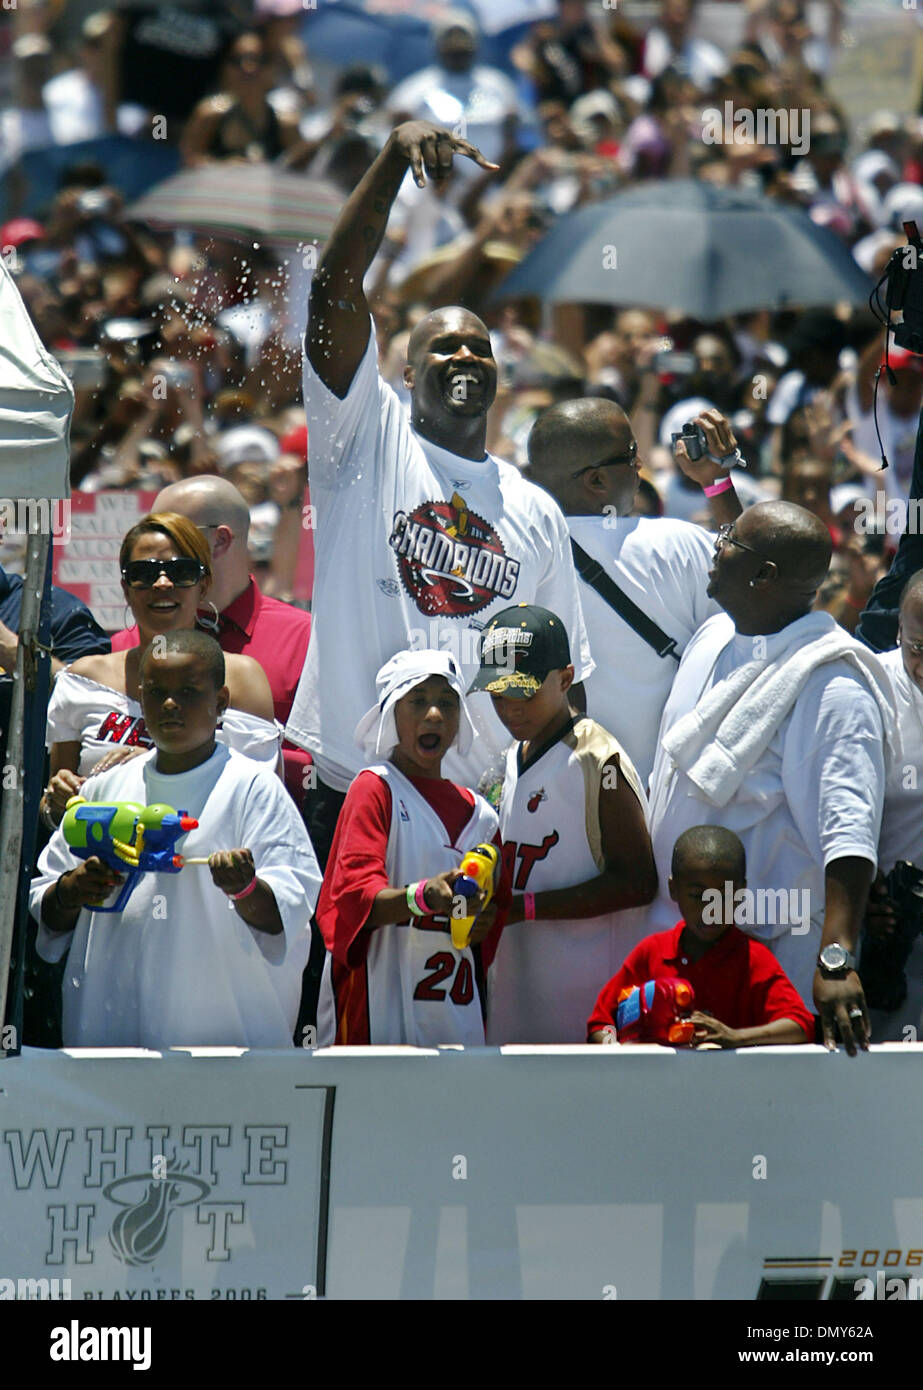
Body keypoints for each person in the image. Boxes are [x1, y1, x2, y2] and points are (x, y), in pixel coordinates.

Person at [285, 117, 594, 870]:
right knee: (340, 985)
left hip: (476, 810)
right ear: (402, 370)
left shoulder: (533, 510)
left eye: (477, 347)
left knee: (457, 989)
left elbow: (565, 683)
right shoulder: (363, 438)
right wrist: (393, 158)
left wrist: (543, 793)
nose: (463, 354)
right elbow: (332, 287)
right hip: (351, 787)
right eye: (442, 345)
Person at [646, 501, 893, 1055]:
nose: (717, 541)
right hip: (688, 947)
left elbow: (848, 832)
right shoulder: (713, 637)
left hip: (772, 957)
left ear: (763, 576)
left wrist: (835, 959)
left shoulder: (834, 684)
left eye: (731, 536)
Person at [30, 630, 321, 1049]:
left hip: (226, 1055)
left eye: (188, 691)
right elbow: (47, 918)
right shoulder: (102, 788)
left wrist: (246, 889)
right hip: (110, 1056)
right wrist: (74, 889)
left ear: (220, 702)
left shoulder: (254, 788)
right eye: (157, 692)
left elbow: (288, 918)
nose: (170, 704)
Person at [525, 398, 740, 786]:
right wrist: (717, 481)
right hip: (668, 800)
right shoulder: (674, 544)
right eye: (628, 454)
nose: (639, 464)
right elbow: (759, 578)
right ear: (596, 481)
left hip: (552, 801)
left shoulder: (518, 556)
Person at [467, 603, 656, 1044]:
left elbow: (638, 882)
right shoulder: (509, 760)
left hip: (589, 1001)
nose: (511, 710)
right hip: (518, 993)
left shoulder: (596, 758)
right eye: (498, 695)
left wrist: (525, 908)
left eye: (525, 693)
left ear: (566, 679)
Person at [42, 512, 279, 828]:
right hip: (100, 866)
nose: (163, 583)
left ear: (203, 584)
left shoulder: (240, 678)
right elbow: (54, 812)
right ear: (126, 589)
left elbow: (261, 800)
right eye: (144, 573)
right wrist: (56, 798)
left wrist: (152, 762)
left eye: (181, 572)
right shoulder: (83, 678)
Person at [314, 650, 500, 1046]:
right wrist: (422, 897)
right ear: (391, 716)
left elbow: (494, 924)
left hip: (457, 1025)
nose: (434, 714)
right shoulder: (374, 787)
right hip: (377, 1018)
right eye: (417, 701)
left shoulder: (484, 817)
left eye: (447, 702)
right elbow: (353, 899)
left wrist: (483, 919)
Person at [111, 477, 312, 803]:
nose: (155, 541)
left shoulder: (304, 641)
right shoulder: (124, 645)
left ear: (219, 541)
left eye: (174, 532)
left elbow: (331, 768)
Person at [587, 826, 814, 1046]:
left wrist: (736, 1037)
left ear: (740, 893)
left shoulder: (752, 959)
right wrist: (617, 1048)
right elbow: (601, 1022)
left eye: (722, 895)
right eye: (697, 896)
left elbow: (800, 1026)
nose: (711, 909)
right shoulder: (653, 951)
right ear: (674, 890)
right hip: (657, 1082)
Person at [862, 572, 923, 1039]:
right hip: (884, 930)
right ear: (899, 630)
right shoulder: (865, 688)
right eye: (917, 648)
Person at [180, 28, 301, 166]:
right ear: (224, 68)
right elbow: (188, 161)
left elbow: (298, 171)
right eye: (237, 61)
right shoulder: (210, 114)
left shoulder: (285, 123)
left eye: (258, 60)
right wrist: (225, 167)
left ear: (272, 68)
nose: (248, 68)